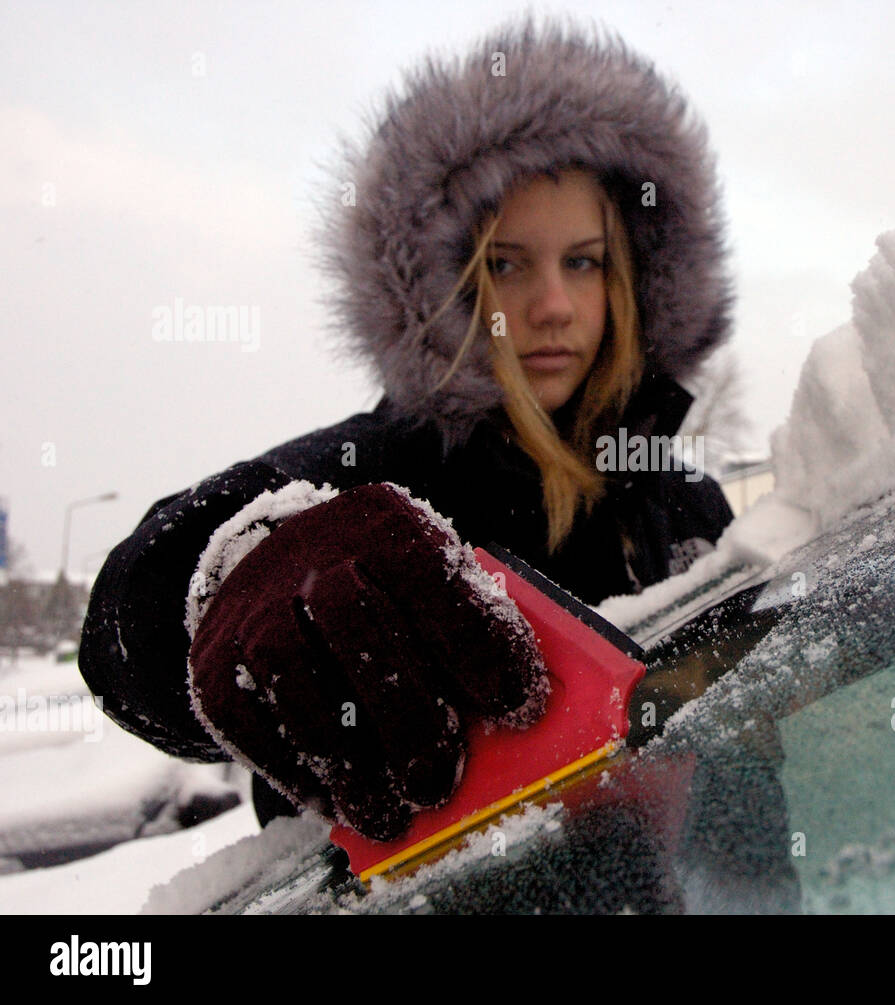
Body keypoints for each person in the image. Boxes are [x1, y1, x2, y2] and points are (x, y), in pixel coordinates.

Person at [78, 15, 737, 843]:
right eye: (506, 262)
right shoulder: (367, 477)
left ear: (633, 279)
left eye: (583, 260)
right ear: (442, 288)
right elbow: (122, 625)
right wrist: (243, 577)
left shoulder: (685, 504)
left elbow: (746, 778)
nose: (555, 305)